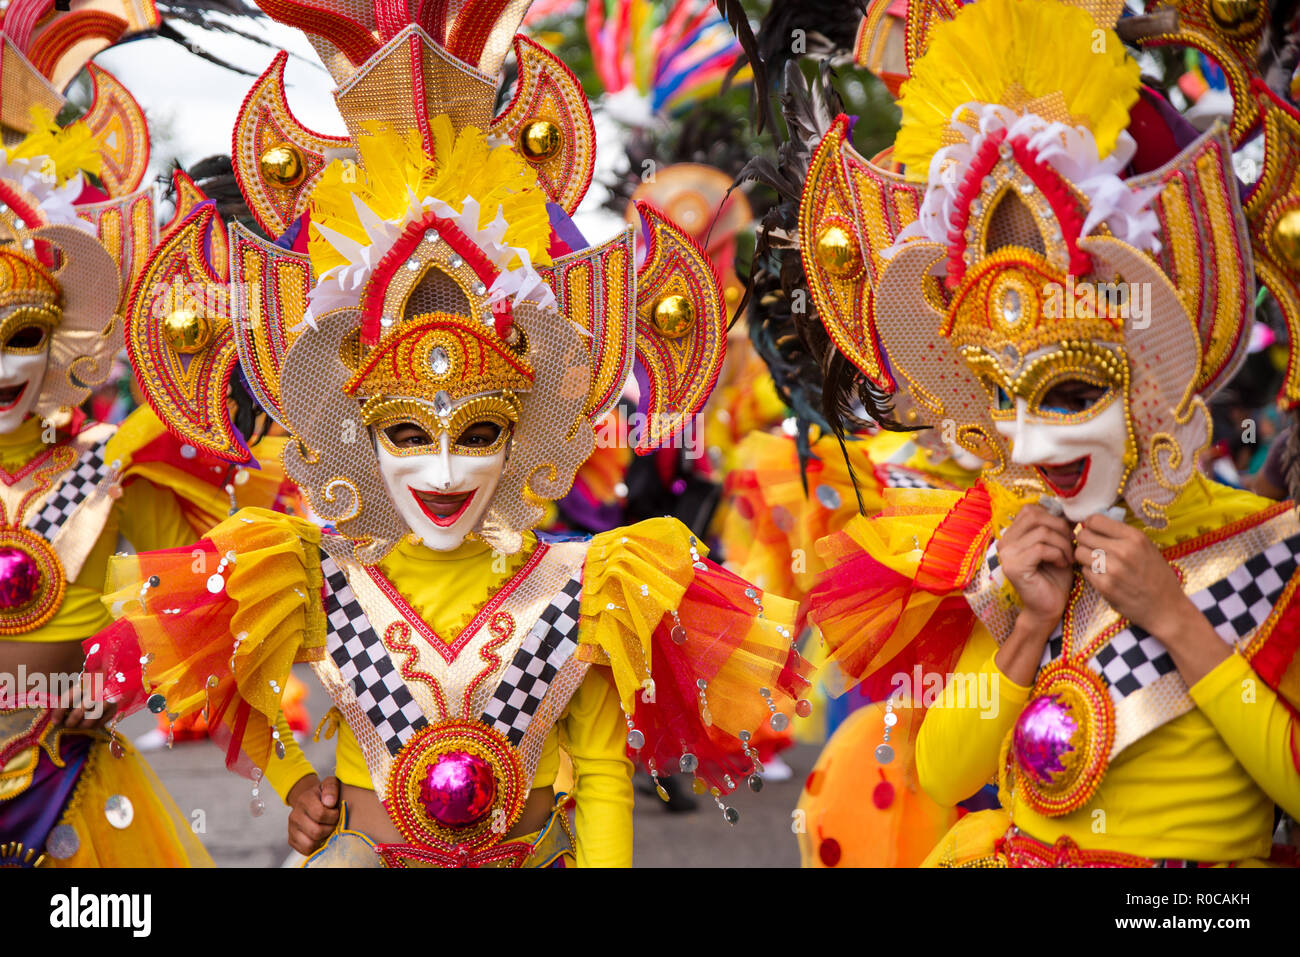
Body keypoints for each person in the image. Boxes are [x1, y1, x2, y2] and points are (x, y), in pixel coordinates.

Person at [88, 0, 810, 868]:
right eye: (405, 432)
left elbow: (601, 777)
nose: (442, 470)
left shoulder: (589, 589)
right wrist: (295, 784)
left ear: (524, 431)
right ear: (358, 434)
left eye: (477, 433)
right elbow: (218, 669)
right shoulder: (309, 576)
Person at [801, 0, 1300, 866]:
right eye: (1002, 396)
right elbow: (941, 772)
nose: (1029, 447)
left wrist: (1175, 616)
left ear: (1153, 376)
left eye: (1071, 392)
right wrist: (1026, 626)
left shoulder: (1268, 551)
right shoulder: (1024, 543)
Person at [0, 19, 286, 867]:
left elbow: (213, 577)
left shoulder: (113, 463)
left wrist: (128, 653)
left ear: (61, 340)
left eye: (21, 335)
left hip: (74, 788)